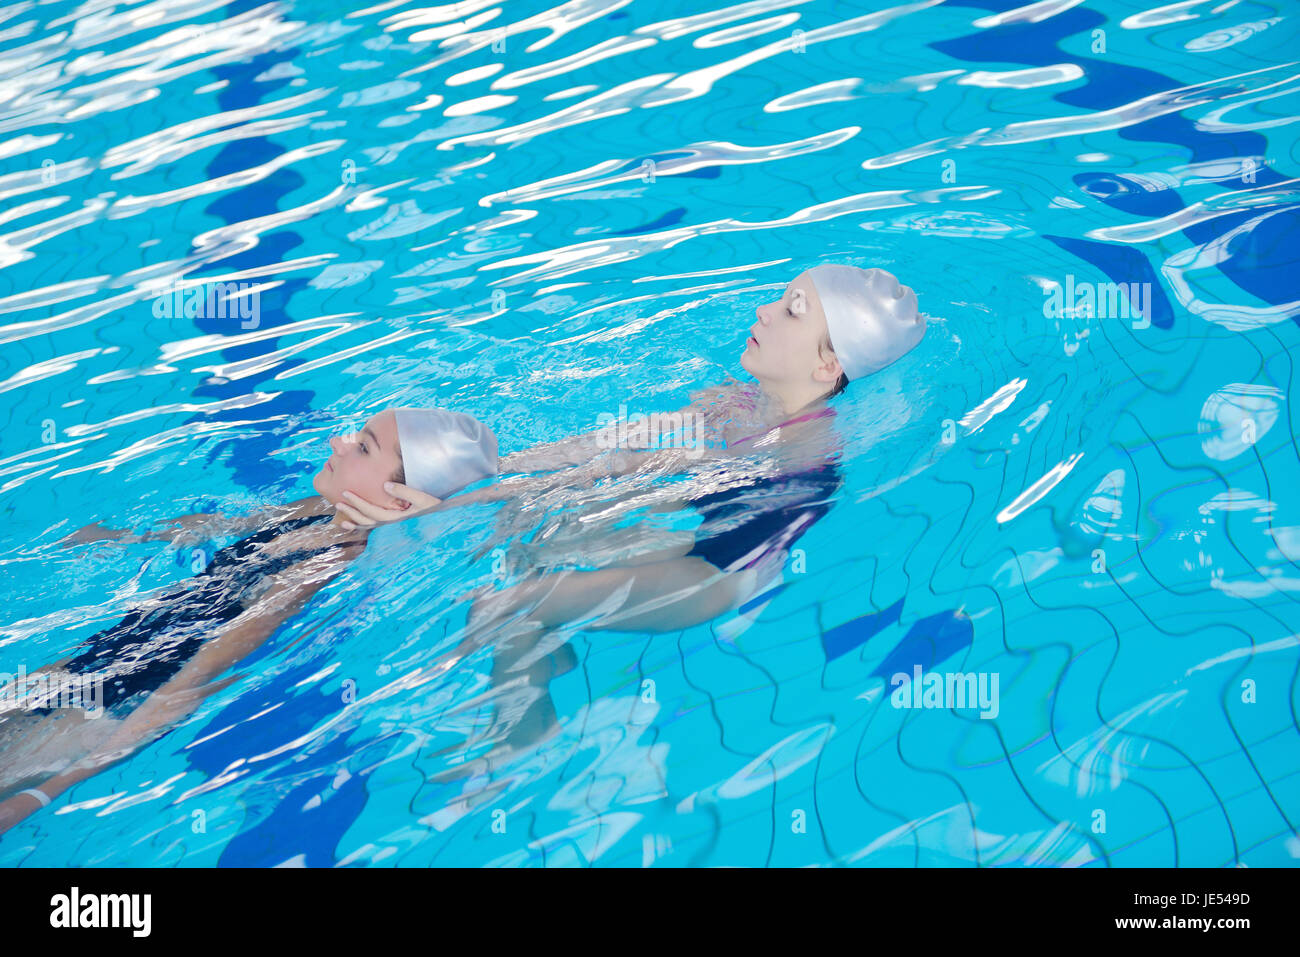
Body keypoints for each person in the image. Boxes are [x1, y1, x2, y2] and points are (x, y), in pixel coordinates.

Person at [333, 264, 927, 761]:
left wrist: (447, 504)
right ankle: (546, 643)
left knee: (502, 603)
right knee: (530, 534)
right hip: (704, 536)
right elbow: (610, 446)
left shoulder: (799, 448)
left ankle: (523, 729)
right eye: (779, 298)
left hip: (717, 580)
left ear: (828, 366)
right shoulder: (742, 403)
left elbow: (623, 474)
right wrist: (495, 469)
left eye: (792, 310)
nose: (766, 311)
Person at [0, 407, 498, 835]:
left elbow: (192, 682)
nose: (340, 441)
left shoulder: (317, 567)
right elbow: (229, 526)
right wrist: (133, 536)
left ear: (398, 499)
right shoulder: (320, 509)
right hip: (101, 654)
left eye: (364, 448)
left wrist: (44, 794)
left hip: (116, 704)